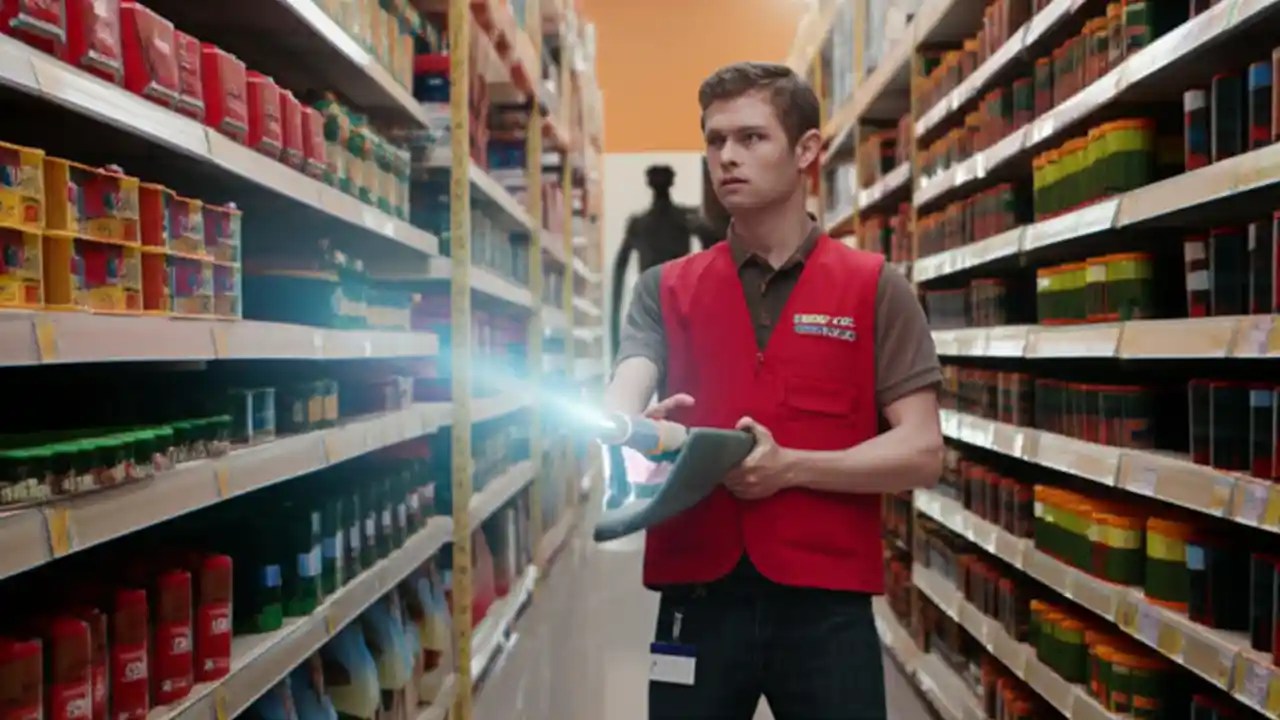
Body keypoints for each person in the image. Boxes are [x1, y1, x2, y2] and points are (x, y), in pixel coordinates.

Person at [605, 61, 944, 720]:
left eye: (752, 138)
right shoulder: (663, 289)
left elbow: (922, 450)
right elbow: (624, 390)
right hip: (695, 604)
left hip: (827, 613)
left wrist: (794, 468)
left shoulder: (875, 288)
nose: (727, 156)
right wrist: (629, 426)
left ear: (808, 151)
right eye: (714, 140)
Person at [610, 164, 721, 361]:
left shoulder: (650, 222)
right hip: (667, 303)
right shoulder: (679, 220)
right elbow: (716, 249)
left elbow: (716, 250)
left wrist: (614, 340)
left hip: (673, 303)